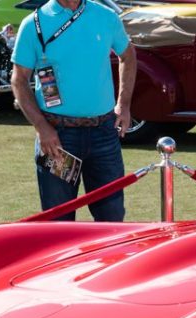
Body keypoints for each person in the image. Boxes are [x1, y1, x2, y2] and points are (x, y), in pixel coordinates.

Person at [11, 0, 136, 222]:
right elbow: (19, 80)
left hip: (104, 136)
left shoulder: (106, 17)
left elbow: (128, 55)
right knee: (60, 222)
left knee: (112, 219)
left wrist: (123, 105)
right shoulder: (33, 24)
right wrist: (42, 127)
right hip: (57, 140)